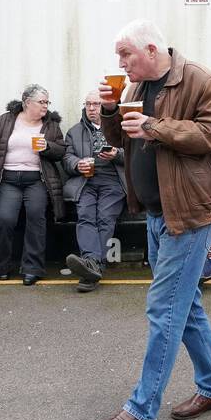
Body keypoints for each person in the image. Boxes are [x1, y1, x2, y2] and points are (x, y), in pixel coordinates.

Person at [95, 19, 211, 420]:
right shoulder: (135, 89)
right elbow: (122, 139)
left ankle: (141, 408)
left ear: (151, 49)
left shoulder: (200, 80)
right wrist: (110, 111)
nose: (120, 63)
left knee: (164, 309)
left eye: (126, 55)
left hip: (190, 211)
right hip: (157, 212)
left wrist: (155, 127)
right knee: (184, 304)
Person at [0, 85, 67, 286]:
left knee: (36, 217)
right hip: (9, 179)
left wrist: (47, 147)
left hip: (36, 179)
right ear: (27, 102)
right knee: (4, 219)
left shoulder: (51, 125)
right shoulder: (6, 120)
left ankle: (32, 269)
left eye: (47, 102)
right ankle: (1, 267)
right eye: (42, 102)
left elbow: (61, 151)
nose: (45, 106)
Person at [63, 89, 127, 292]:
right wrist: (77, 164)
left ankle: (91, 267)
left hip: (114, 181)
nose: (92, 108)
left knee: (106, 217)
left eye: (96, 104)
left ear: (104, 106)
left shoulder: (120, 128)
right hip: (86, 181)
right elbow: (67, 157)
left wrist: (117, 154)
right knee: (85, 215)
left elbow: (135, 154)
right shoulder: (74, 131)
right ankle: (93, 264)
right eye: (88, 104)